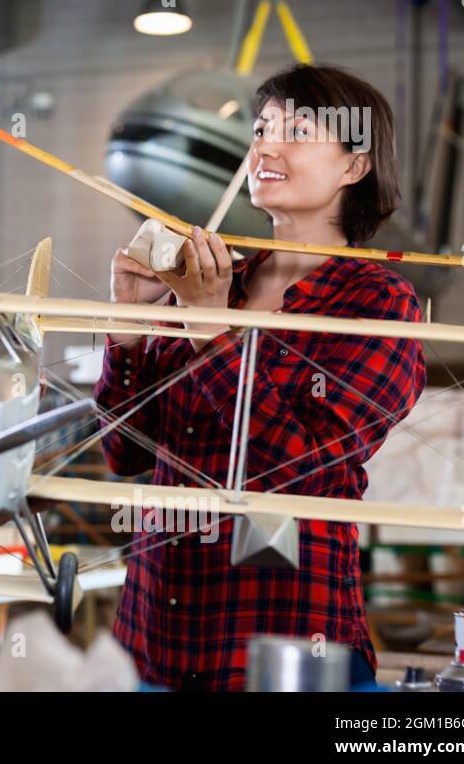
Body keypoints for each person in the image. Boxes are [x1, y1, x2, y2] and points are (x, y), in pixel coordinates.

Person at [96, 63, 427, 691]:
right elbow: (122, 452)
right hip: (152, 636)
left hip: (287, 641)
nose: (265, 147)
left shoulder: (379, 303)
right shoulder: (220, 281)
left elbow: (296, 465)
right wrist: (130, 322)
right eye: (261, 128)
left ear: (355, 166)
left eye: (297, 131)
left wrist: (210, 324)